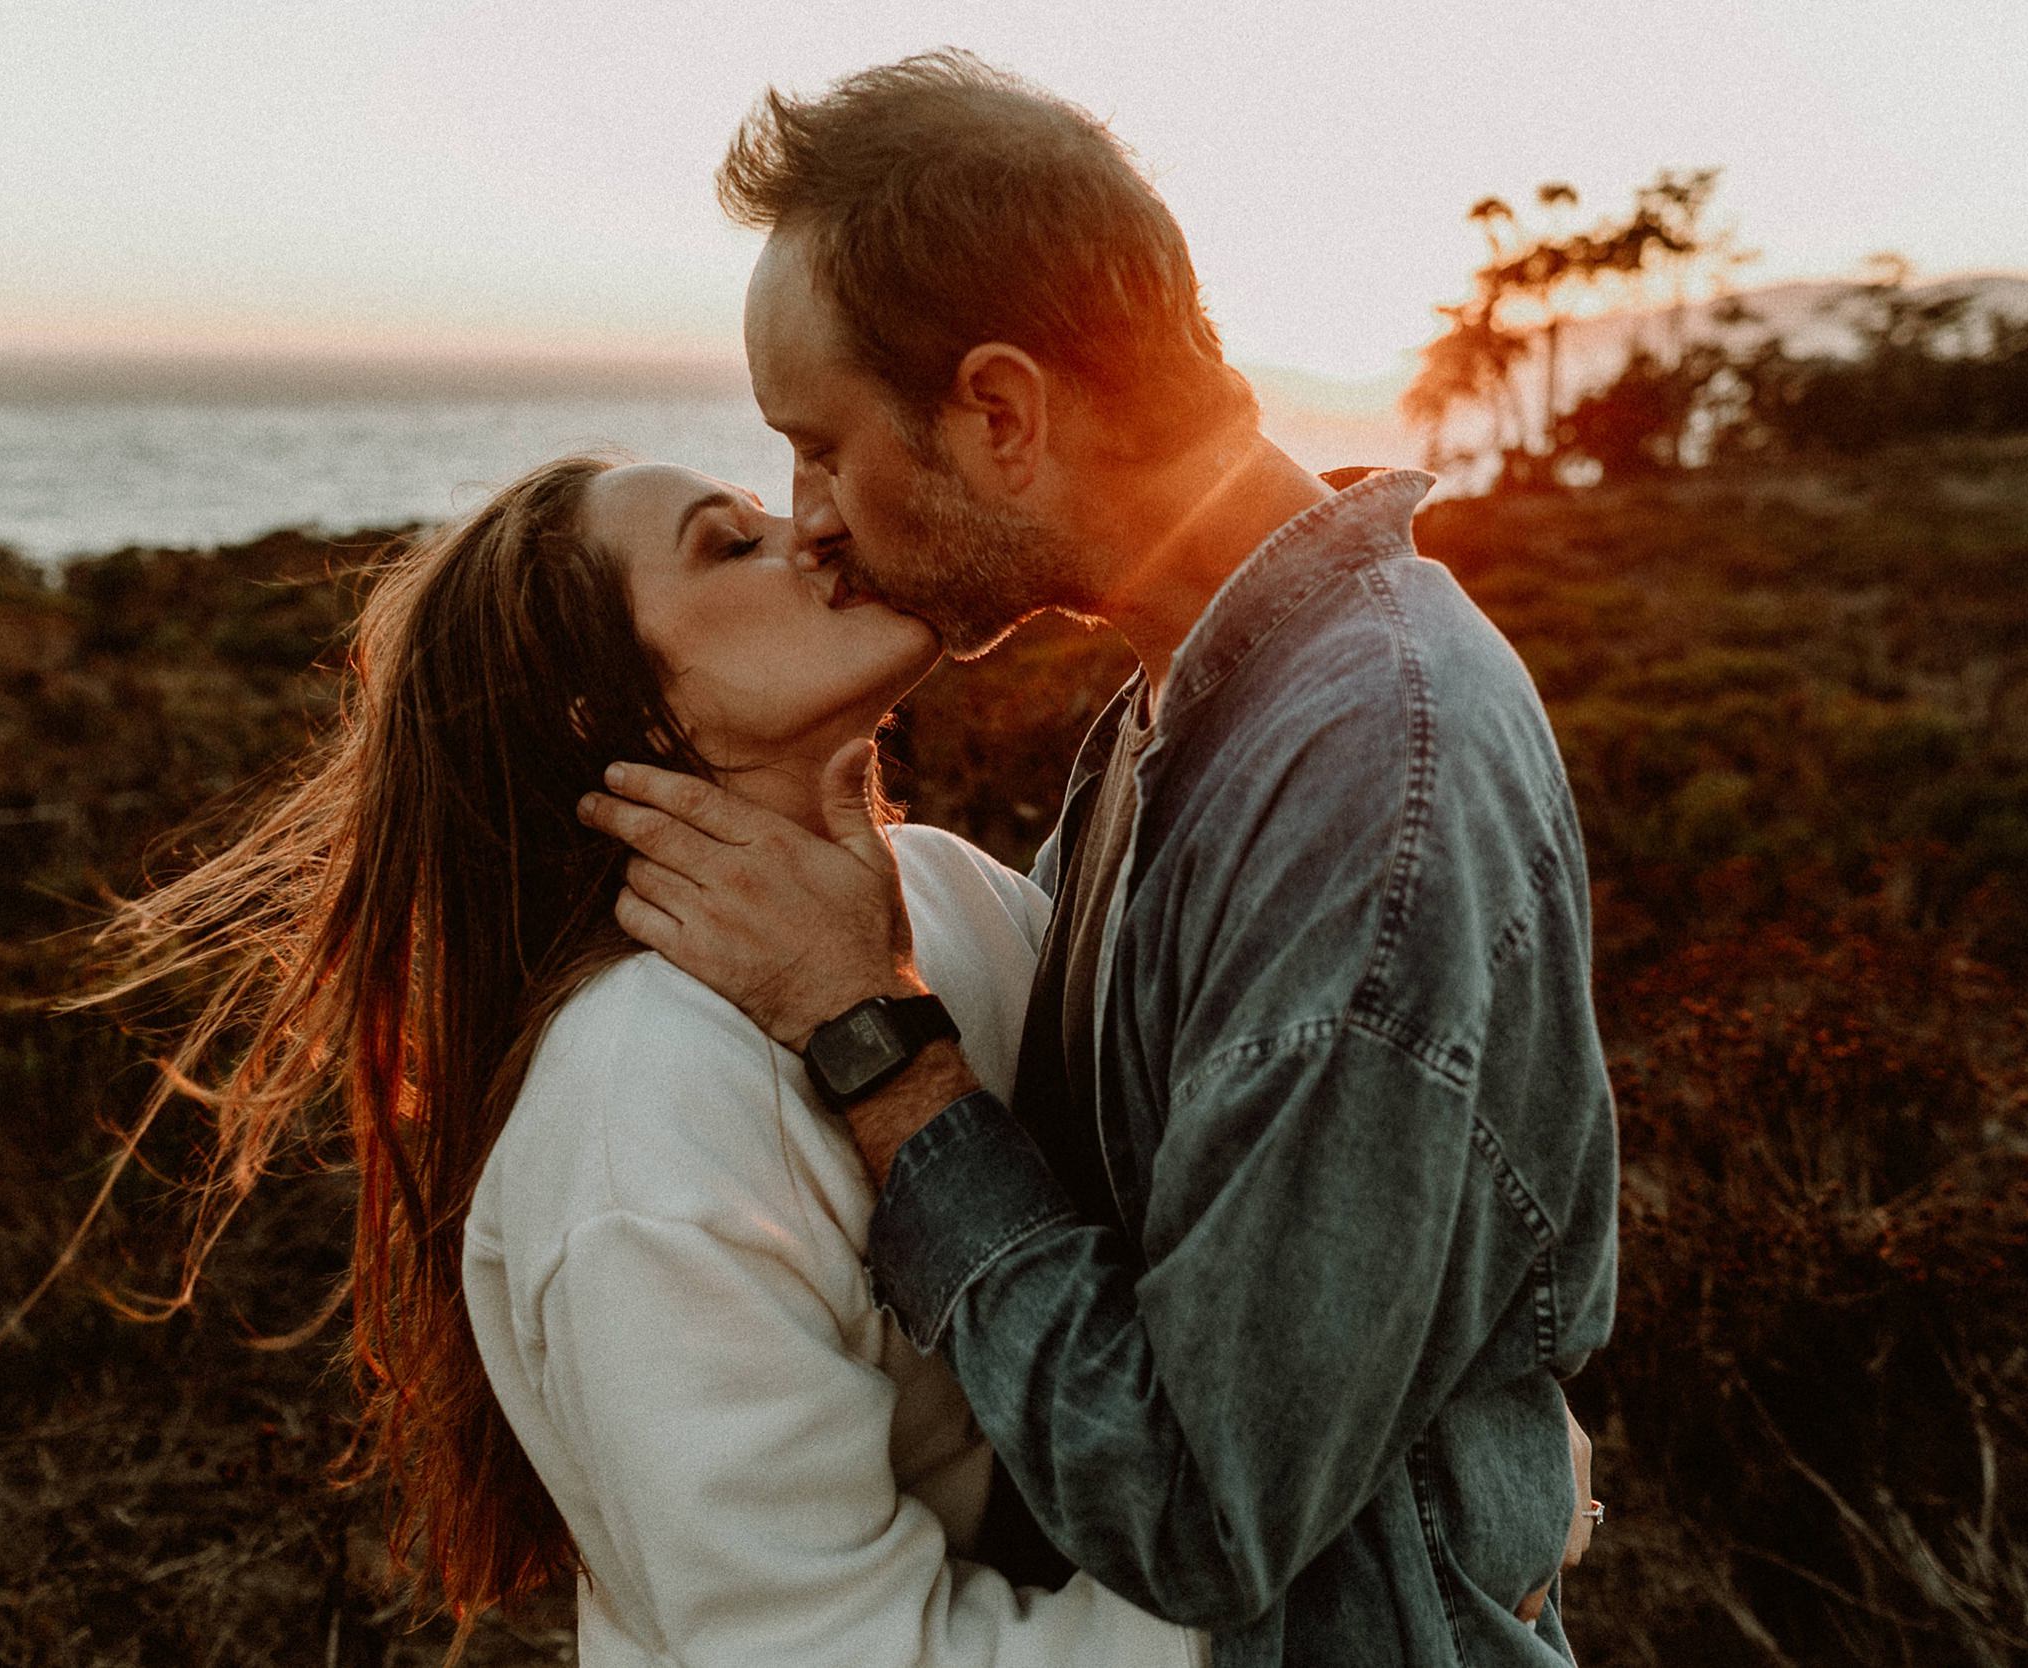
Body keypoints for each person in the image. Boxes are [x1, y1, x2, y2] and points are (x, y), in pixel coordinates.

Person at [579, 52, 1619, 1667]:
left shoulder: (1362, 776)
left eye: (820, 445)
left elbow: (1200, 1508)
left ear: (1000, 413)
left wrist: (871, 1030)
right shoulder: (1194, 704)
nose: (813, 519)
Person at [82, 453, 1203, 1667]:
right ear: (611, 713)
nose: (816, 530)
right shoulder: (639, 1115)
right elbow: (819, 1647)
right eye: (729, 543)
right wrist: (1280, 1625)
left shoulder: (942, 889)